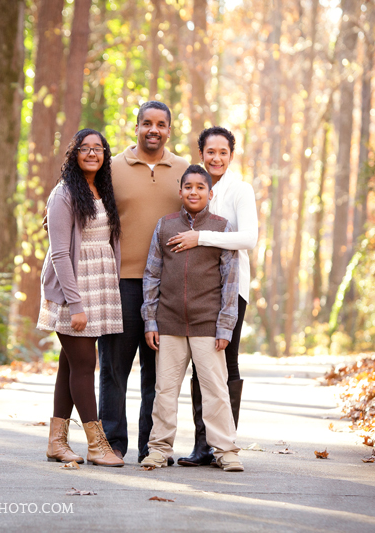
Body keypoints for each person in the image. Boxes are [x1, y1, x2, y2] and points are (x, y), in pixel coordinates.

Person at [98, 101, 189, 463]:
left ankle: (152, 448)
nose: (154, 129)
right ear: (135, 127)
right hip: (120, 283)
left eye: (161, 124)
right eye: (146, 123)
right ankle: (112, 444)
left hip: (167, 287)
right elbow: (84, 204)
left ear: (169, 129)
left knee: (158, 375)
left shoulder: (183, 169)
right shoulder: (113, 168)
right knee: (113, 369)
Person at [140, 165, 244, 472]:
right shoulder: (165, 225)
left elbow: (230, 281)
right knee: (165, 391)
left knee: (215, 390)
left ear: (210, 194)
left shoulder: (221, 228)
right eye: (189, 187)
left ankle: (226, 451)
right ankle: (158, 450)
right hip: (168, 323)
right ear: (180, 191)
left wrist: (225, 324)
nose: (194, 192)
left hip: (207, 325)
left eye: (201, 187)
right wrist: (150, 320)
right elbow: (151, 274)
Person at [166, 126, 258, 467]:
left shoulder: (240, 190)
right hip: (196, 290)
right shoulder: (194, 185)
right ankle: (203, 445)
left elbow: (248, 239)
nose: (216, 158)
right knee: (197, 363)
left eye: (223, 152)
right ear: (201, 154)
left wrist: (201, 237)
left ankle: (224, 445)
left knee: (226, 360)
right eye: (210, 152)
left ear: (231, 156)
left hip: (232, 289)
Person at [37, 129, 124, 467]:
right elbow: (59, 254)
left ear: (105, 154)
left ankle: (56, 443)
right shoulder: (63, 194)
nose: (91, 153)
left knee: (70, 365)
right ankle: (97, 444)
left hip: (99, 286)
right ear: (74, 154)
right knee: (86, 364)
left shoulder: (102, 189)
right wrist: (76, 305)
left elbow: (108, 241)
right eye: (84, 148)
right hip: (72, 290)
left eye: (98, 148)